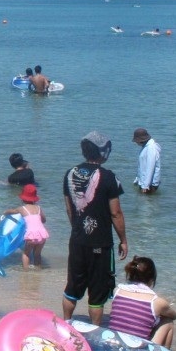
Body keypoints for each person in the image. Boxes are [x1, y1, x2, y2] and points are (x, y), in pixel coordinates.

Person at [61, 131, 128, 325]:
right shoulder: (108, 177)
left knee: (73, 286)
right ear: (102, 151)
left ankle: (66, 324)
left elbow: (69, 208)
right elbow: (116, 213)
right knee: (98, 293)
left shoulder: (70, 174)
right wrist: (123, 240)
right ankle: (95, 330)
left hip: (77, 240)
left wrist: (77, 229)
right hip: (100, 243)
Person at [106, 256, 176, 347]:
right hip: (137, 350)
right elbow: (174, 316)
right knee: (168, 322)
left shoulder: (117, 291)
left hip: (113, 343)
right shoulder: (157, 302)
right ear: (152, 279)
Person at [5, 183, 48, 268]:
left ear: (23, 198)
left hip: (31, 235)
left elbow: (12, 211)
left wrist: (6, 212)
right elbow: (44, 220)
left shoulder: (22, 209)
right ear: (34, 199)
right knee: (37, 254)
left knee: (26, 254)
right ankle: (38, 270)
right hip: (42, 235)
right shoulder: (38, 208)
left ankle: (26, 272)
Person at [133, 128, 161, 193]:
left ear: (140, 140)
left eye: (136, 140)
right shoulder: (145, 147)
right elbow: (142, 166)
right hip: (145, 182)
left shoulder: (151, 148)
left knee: (146, 199)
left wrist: (146, 185)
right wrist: (137, 178)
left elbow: (150, 167)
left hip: (149, 185)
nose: (135, 142)